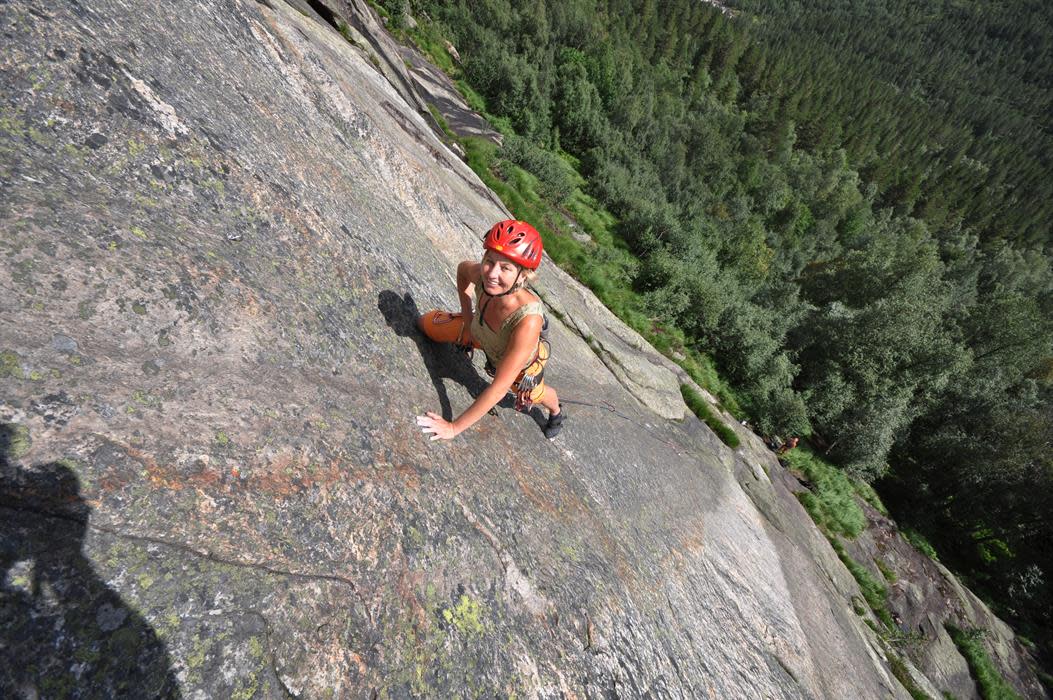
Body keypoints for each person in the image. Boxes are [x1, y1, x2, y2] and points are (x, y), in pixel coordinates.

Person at [415, 219, 564, 441]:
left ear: (523, 275)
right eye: (489, 261)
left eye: (505, 268)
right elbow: (463, 271)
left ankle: (557, 413)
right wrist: (467, 319)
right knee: (425, 324)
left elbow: (499, 388)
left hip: (519, 367)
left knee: (536, 394)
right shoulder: (483, 278)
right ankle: (467, 331)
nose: (492, 274)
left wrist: (453, 427)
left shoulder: (528, 321)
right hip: (481, 333)